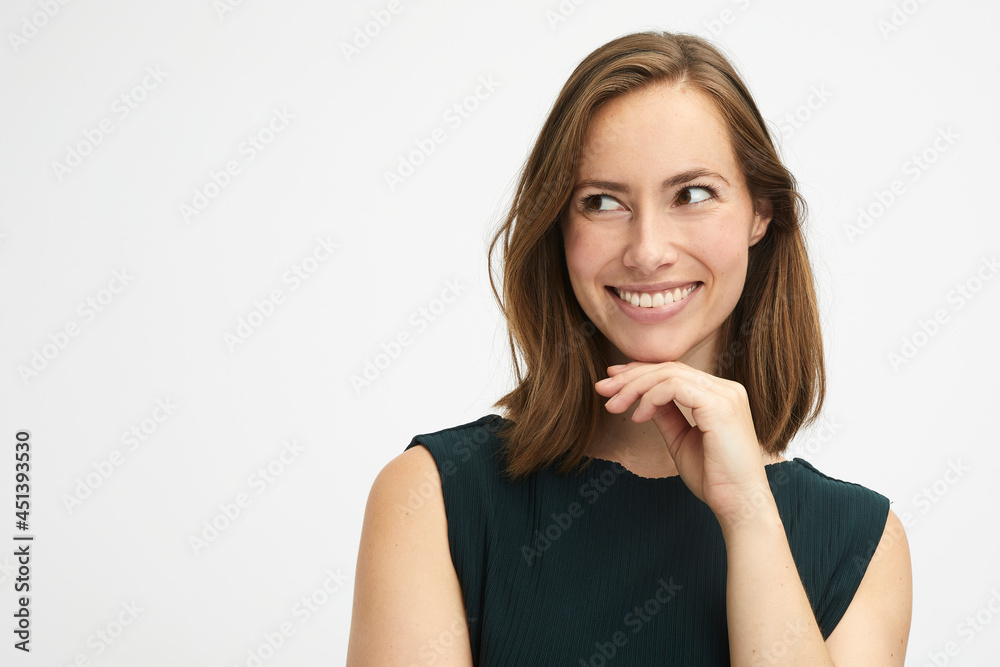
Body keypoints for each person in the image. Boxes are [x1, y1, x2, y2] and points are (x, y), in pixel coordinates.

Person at [347, 30, 912, 665]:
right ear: (559, 225)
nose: (647, 250)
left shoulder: (861, 542)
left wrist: (751, 513)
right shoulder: (433, 501)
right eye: (603, 202)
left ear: (761, 212)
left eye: (692, 195)